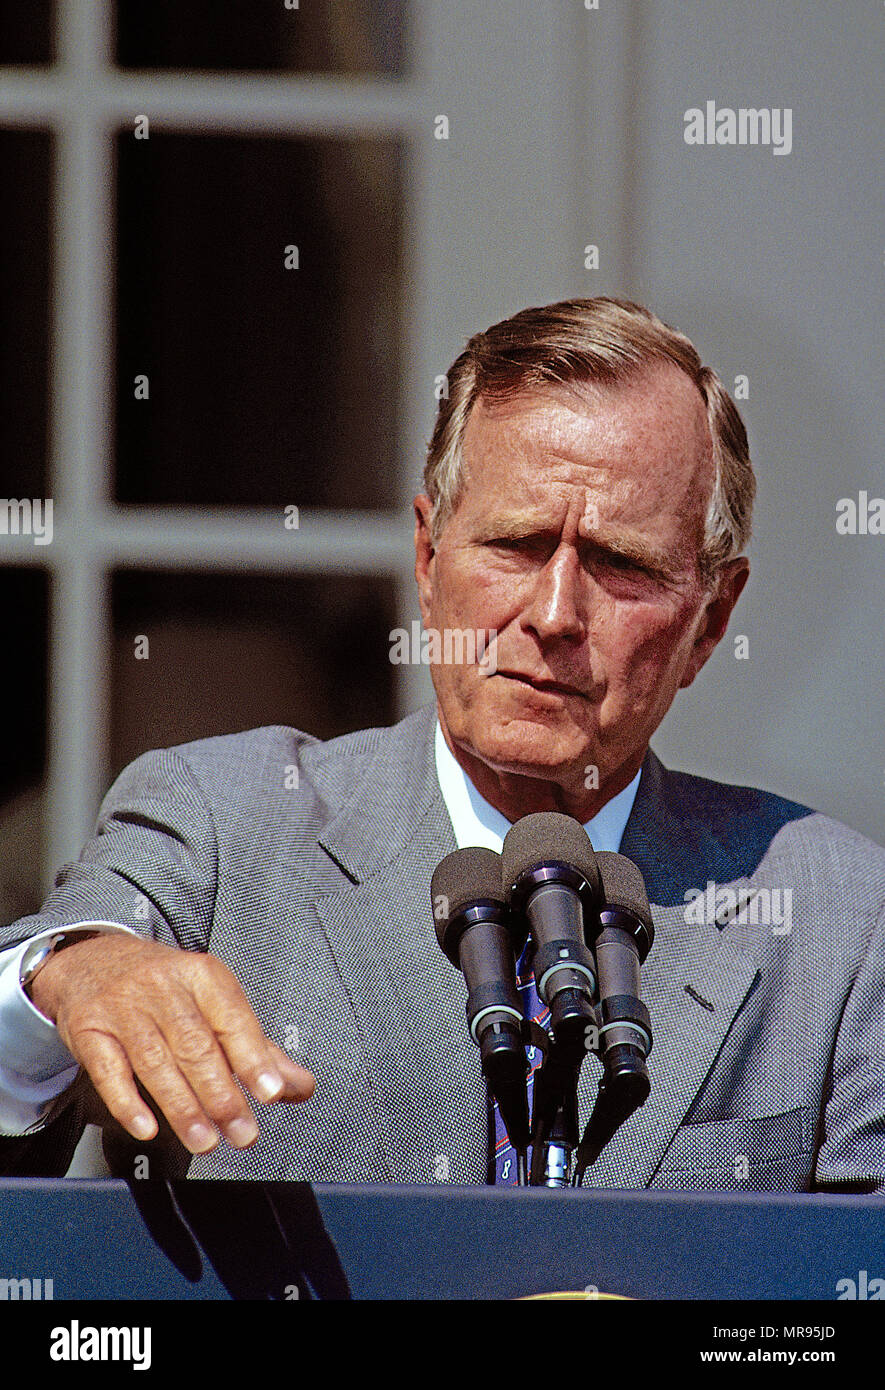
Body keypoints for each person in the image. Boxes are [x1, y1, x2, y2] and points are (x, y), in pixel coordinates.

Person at [1, 297, 883, 1190]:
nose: (552, 616)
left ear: (709, 620)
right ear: (427, 562)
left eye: (621, 565)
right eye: (515, 544)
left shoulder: (838, 920)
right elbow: (43, 994)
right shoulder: (227, 824)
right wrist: (69, 975)